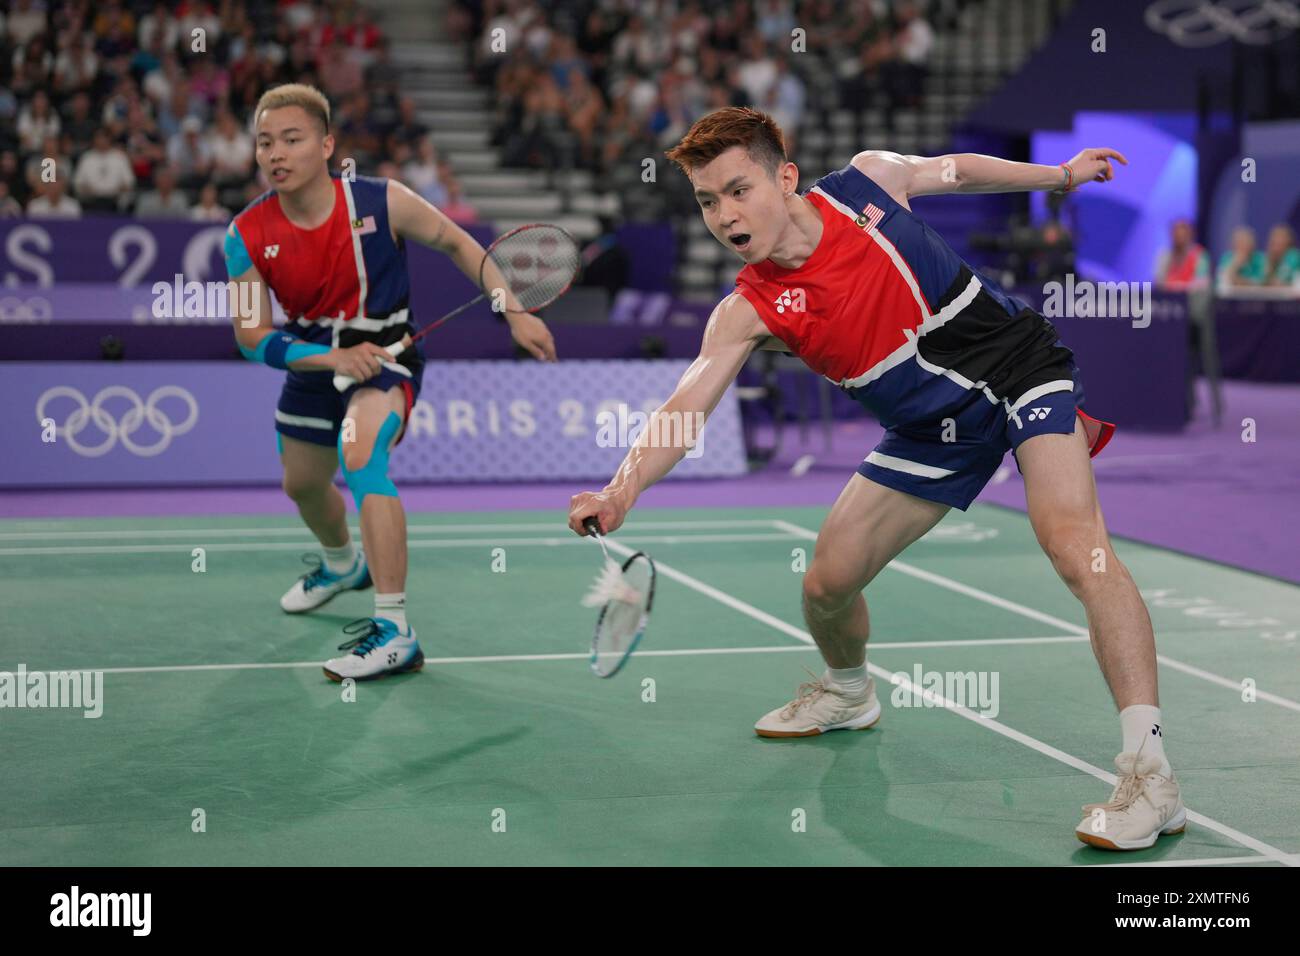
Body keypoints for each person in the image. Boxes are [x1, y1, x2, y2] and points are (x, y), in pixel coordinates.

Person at [568, 107, 1180, 852]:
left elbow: (955, 170)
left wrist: (1060, 174)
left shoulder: (868, 183)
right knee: (826, 584)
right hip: (928, 430)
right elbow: (687, 404)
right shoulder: (749, 308)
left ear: (784, 177)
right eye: (706, 201)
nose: (724, 215)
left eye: (738, 190)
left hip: (1019, 370)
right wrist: (620, 489)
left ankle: (1151, 776)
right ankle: (849, 692)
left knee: (1073, 545)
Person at [225, 84, 557, 681]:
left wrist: (513, 309)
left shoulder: (381, 202)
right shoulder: (246, 234)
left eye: (292, 139)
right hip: (314, 357)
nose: (276, 153)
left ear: (326, 145)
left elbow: (456, 241)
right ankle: (340, 563)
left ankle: (395, 629)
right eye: (265, 142)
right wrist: (331, 361)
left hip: (387, 352)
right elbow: (251, 337)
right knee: (301, 484)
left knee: (362, 453)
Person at [1216, 226, 1265, 292]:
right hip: (1230, 298)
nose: (1243, 246)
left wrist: (1238, 281)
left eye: (1245, 243)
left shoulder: (1260, 259)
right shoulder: (1227, 257)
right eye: (1239, 243)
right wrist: (1234, 265)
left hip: (1255, 298)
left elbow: (1261, 283)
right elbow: (1221, 283)